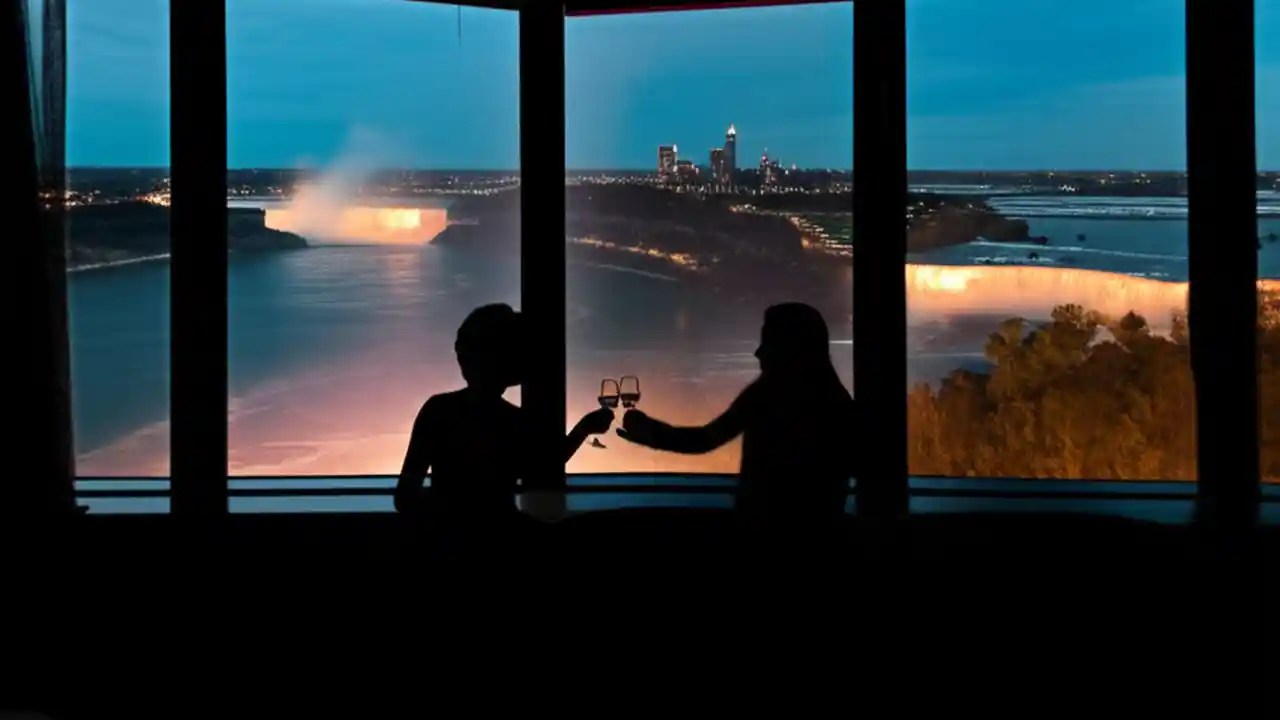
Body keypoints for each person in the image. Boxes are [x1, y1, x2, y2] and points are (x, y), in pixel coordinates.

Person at [617, 303, 855, 529]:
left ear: (790, 348)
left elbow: (705, 440)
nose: (758, 352)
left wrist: (649, 432)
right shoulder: (837, 401)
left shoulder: (764, 395)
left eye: (768, 342)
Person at [395, 303, 614, 524]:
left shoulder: (438, 410)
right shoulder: (513, 420)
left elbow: (405, 497)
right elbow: (544, 466)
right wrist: (583, 429)